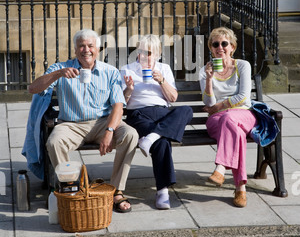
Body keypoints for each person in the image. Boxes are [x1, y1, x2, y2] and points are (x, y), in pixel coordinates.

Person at [28, 29, 138, 213]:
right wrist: (58, 74)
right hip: (71, 125)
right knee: (54, 142)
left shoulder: (109, 72)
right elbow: (33, 88)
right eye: (81, 46)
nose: (86, 50)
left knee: (131, 135)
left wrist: (110, 130)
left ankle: (117, 190)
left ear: (97, 49)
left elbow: (118, 106)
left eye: (90, 46)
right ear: (75, 49)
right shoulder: (61, 68)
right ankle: (70, 187)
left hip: (102, 122)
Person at [120, 34, 193, 210]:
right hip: (138, 114)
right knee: (162, 142)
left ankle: (151, 137)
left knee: (187, 110)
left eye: (150, 53)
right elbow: (121, 103)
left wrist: (161, 81)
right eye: (142, 52)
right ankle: (163, 192)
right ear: (138, 52)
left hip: (162, 113)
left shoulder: (164, 69)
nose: (145, 56)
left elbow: (173, 98)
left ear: (158, 54)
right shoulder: (127, 69)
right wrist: (129, 90)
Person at [199, 27, 257, 208]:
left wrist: (219, 106)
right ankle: (240, 188)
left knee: (230, 119)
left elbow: (243, 97)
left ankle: (221, 168)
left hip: (244, 115)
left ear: (232, 46)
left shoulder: (242, 65)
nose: (220, 47)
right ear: (211, 48)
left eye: (224, 43)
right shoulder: (205, 70)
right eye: (215, 44)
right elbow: (209, 102)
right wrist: (209, 80)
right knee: (235, 131)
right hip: (218, 120)